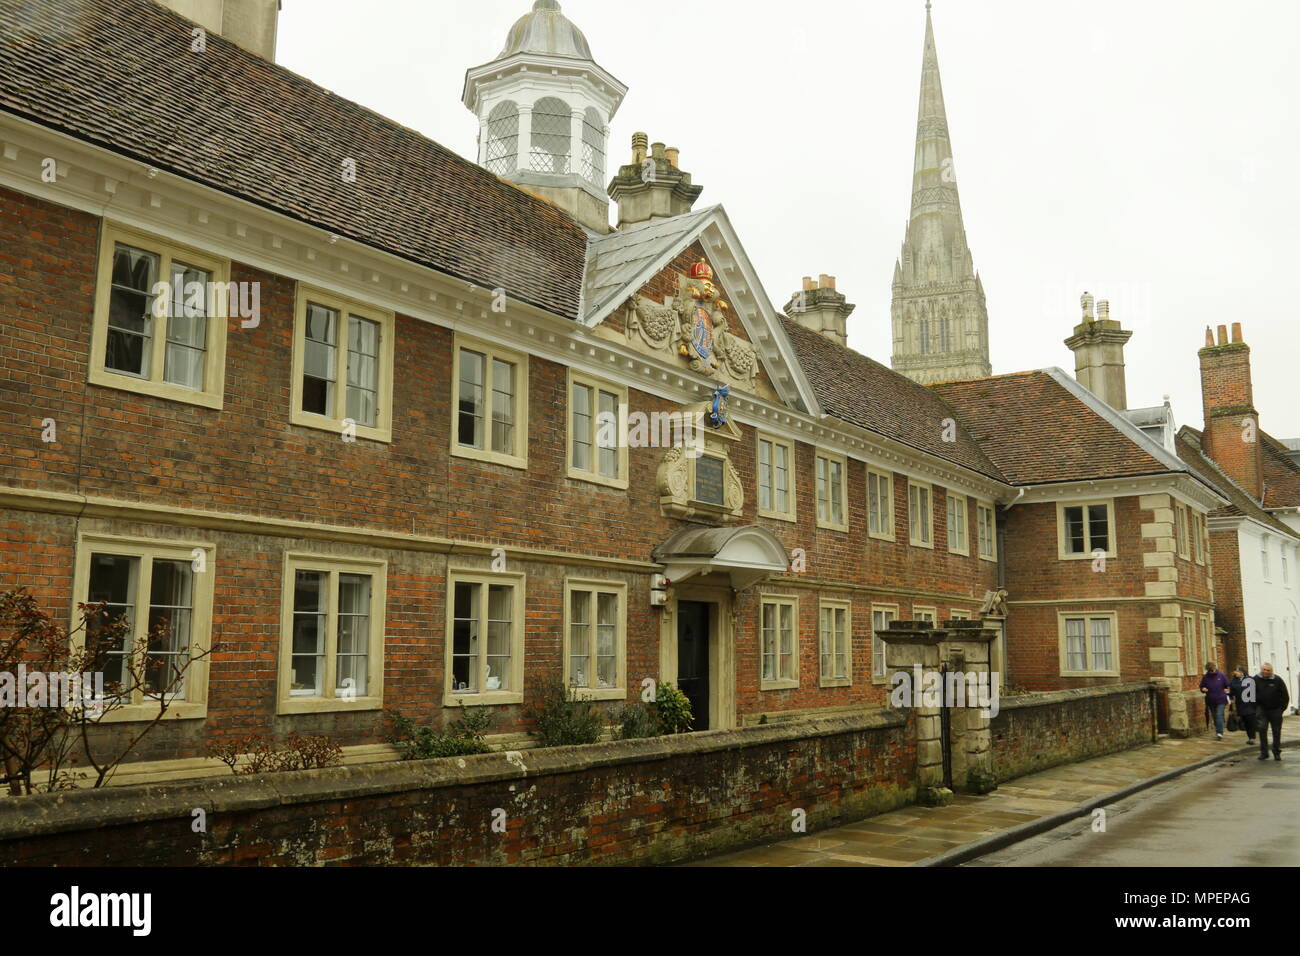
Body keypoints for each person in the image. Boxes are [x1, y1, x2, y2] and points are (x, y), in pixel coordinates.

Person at [1254, 662, 1291, 761]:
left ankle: (1276, 751)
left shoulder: (1277, 680)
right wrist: (1255, 708)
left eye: (1268, 670)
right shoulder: (1255, 679)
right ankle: (1264, 752)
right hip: (1261, 710)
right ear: (1261, 670)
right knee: (1262, 730)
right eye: (1264, 670)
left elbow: (1285, 695)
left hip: (1275, 710)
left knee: (1276, 731)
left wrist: (1281, 709)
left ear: (1271, 671)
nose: (1266, 672)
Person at [1199, 661, 1231, 740]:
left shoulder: (1221, 675)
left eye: (1212, 670)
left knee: (1219, 715)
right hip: (1211, 700)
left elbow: (1228, 685)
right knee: (1215, 716)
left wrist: (1227, 690)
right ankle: (1218, 731)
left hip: (1221, 699)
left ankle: (1220, 733)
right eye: (1210, 671)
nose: (1211, 672)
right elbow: (1202, 686)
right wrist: (1203, 689)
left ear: (1215, 668)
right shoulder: (1206, 677)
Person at [1228, 666, 1256, 743]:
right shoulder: (1233, 681)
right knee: (1245, 722)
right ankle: (1250, 736)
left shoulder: (1250, 679)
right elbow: (1232, 694)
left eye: (1236, 671)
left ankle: (1252, 738)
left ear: (1241, 672)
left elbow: (1255, 691)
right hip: (1240, 704)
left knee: (1251, 721)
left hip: (1250, 704)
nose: (1235, 672)